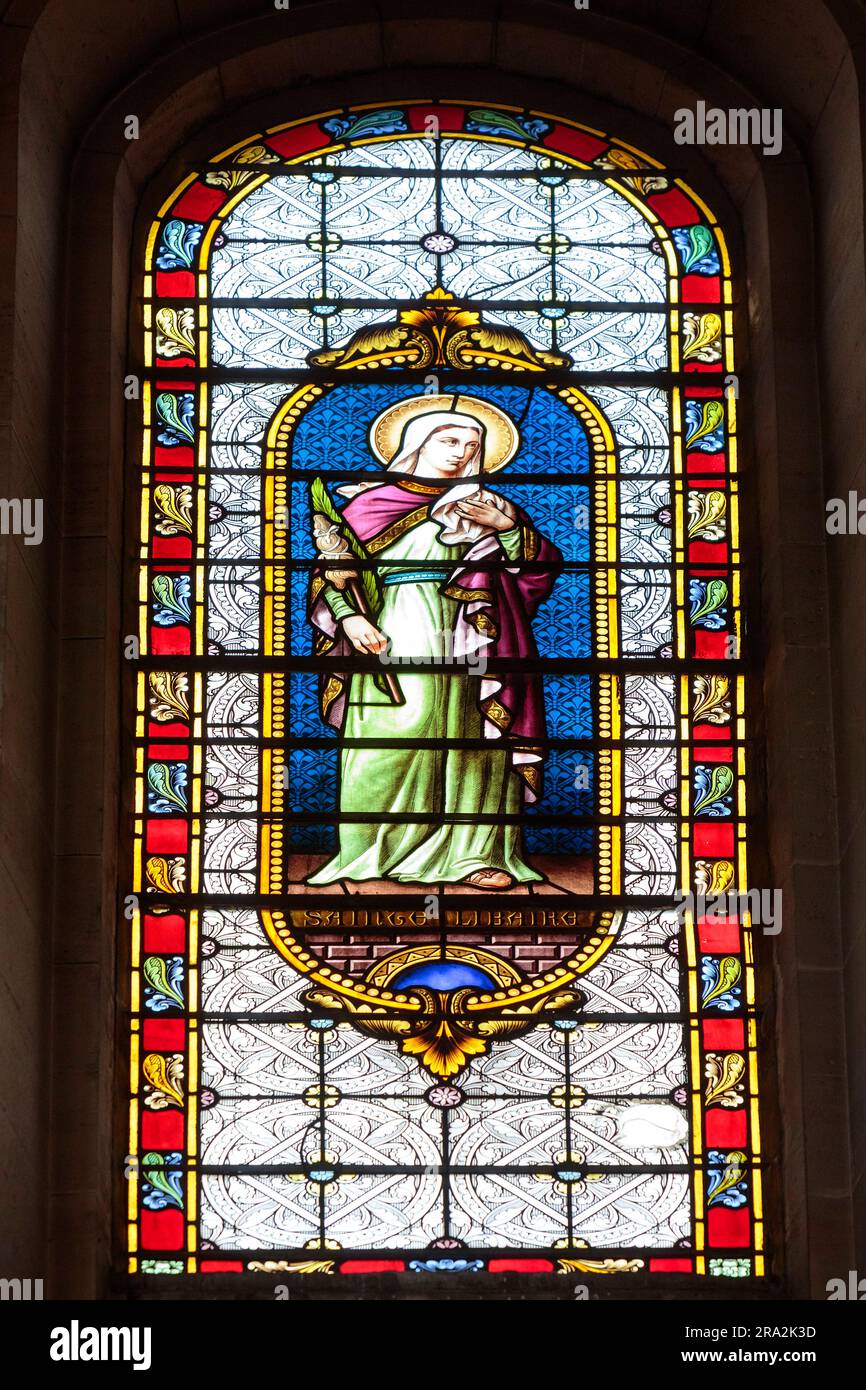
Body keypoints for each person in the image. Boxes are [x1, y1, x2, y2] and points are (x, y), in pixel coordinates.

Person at [306, 395, 561, 888]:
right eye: (449, 441)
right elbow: (332, 575)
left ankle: (471, 854)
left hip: (474, 633)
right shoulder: (371, 504)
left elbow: (536, 574)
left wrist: (507, 529)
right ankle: (374, 850)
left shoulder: (489, 506)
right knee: (395, 731)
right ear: (416, 444)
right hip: (394, 628)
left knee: (473, 735)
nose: (462, 452)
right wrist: (350, 619)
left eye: (473, 444)